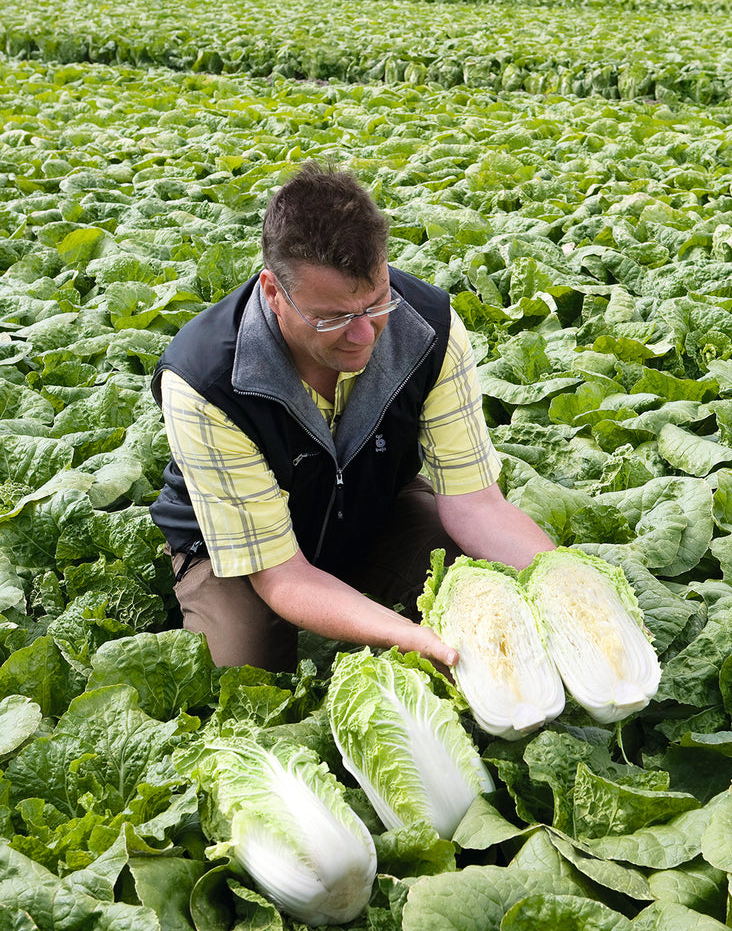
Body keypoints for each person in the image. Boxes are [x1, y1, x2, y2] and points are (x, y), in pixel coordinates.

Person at [149, 162, 554, 673]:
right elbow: (282, 575)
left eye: (377, 303)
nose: (364, 334)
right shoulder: (204, 380)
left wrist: (563, 583)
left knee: (478, 588)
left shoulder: (430, 328)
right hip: (241, 547)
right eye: (334, 317)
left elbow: (477, 506)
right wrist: (409, 637)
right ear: (273, 292)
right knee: (247, 671)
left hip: (374, 506)